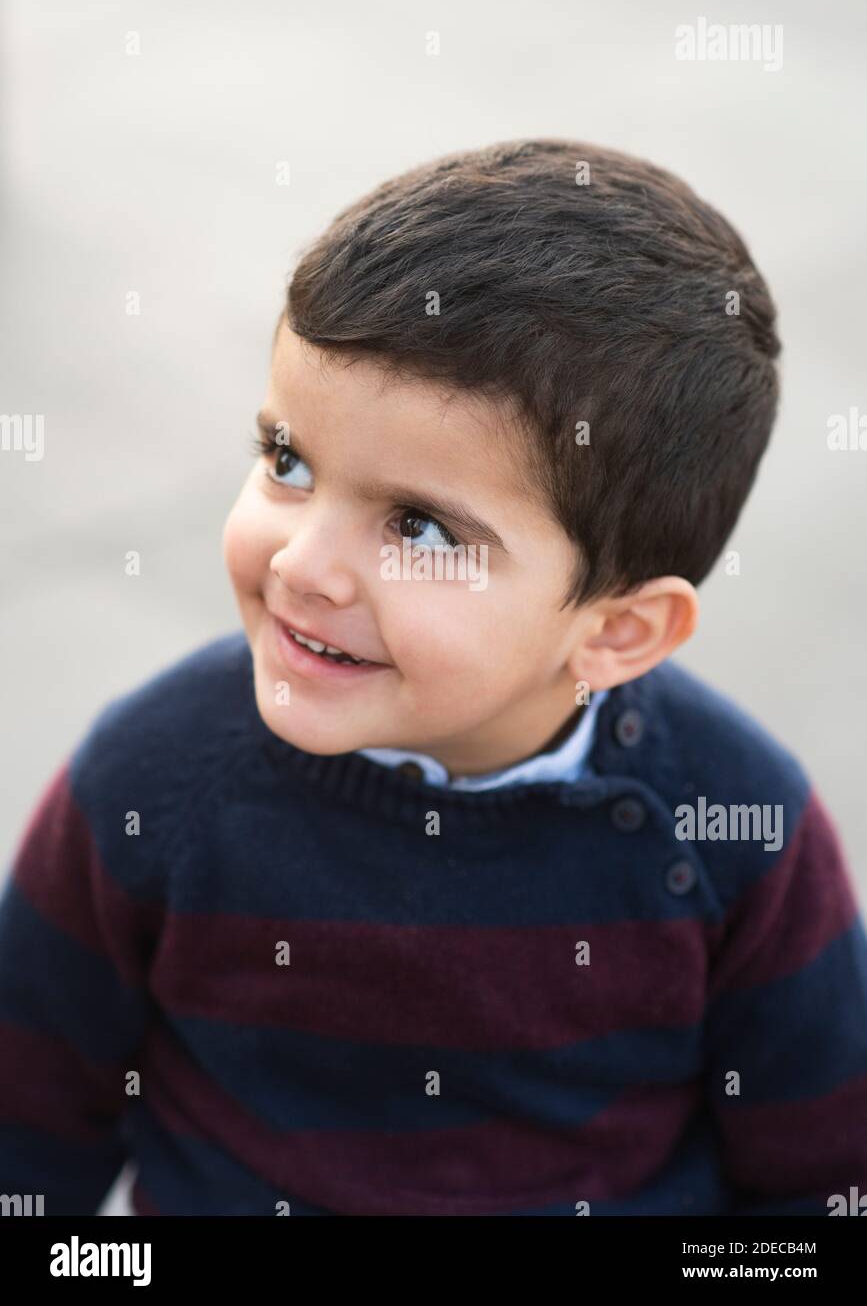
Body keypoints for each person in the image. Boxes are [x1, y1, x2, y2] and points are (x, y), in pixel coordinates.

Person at [1, 139, 865, 1215]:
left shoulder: (735, 831)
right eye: (288, 460)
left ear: (618, 633)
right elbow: (28, 1136)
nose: (301, 564)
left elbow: (820, 1186)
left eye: (418, 526)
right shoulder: (150, 784)